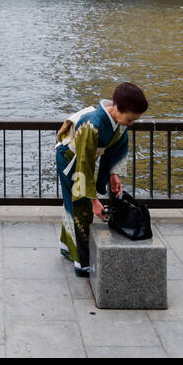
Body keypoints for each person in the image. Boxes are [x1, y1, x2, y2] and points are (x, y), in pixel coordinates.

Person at [56, 82, 148, 277]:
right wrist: (93, 200)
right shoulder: (92, 123)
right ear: (116, 108)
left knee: (73, 204)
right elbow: (84, 165)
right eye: (130, 119)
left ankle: (66, 246)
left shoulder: (120, 123)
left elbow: (117, 150)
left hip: (85, 158)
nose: (130, 123)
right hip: (70, 158)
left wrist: (113, 175)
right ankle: (83, 263)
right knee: (80, 206)